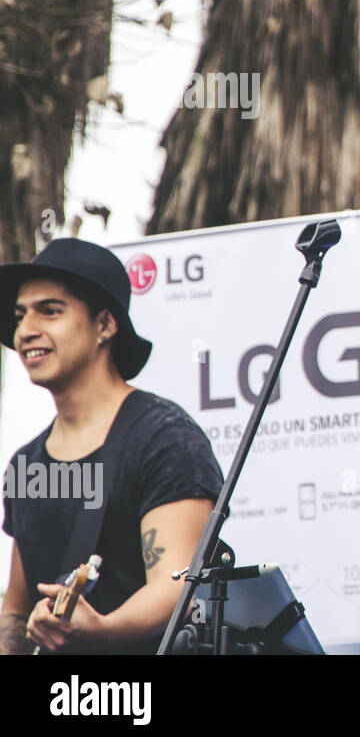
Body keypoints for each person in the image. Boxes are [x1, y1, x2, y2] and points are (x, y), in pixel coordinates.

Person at [0, 238, 223, 654]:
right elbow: (16, 605)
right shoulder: (26, 464)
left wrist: (101, 630)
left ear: (104, 325)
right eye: (19, 315)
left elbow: (179, 584)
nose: (26, 330)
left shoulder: (162, 437)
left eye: (50, 311)